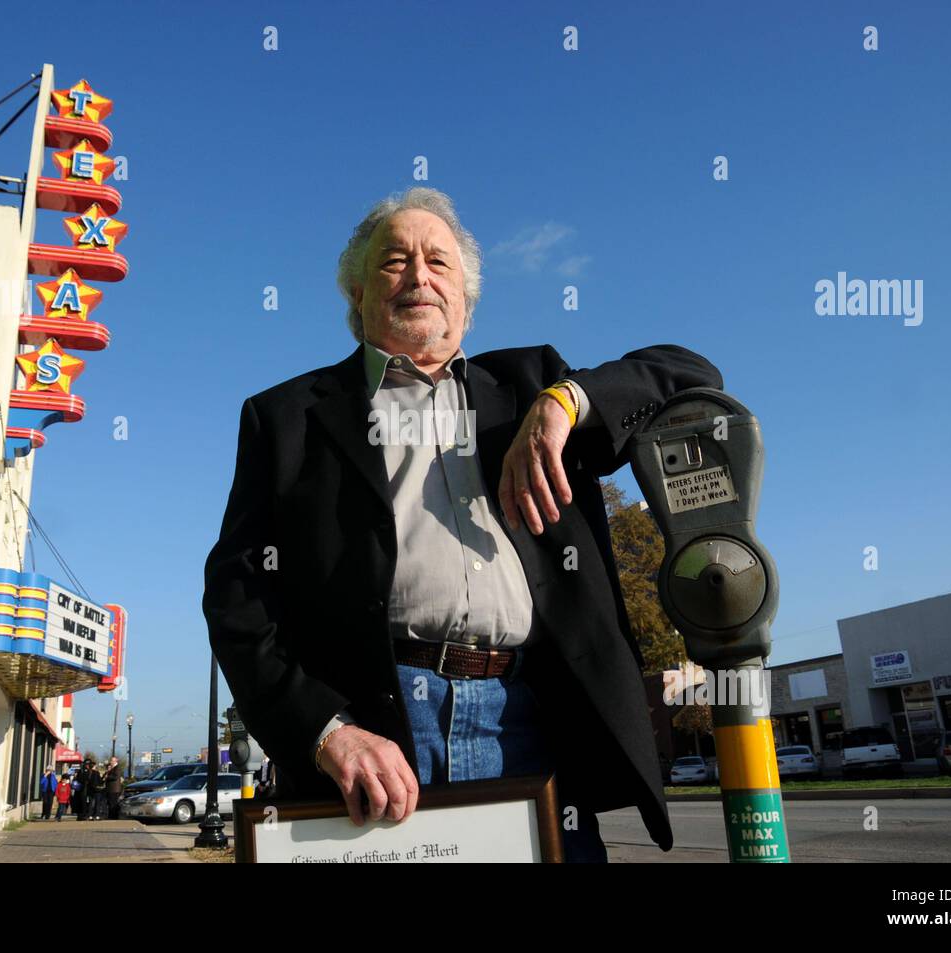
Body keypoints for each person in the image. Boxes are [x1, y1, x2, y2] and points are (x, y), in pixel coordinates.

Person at [202, 187, 724, 863]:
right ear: (356, 298)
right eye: (394, 261)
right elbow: (237, 602)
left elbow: (690, 375)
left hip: (532, 723)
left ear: (467, 303)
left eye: (438, 262)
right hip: (378, 740)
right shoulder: (286, 419)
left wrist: (566, 401)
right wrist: (327, 730)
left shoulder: (531, 384)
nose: (418, 275)